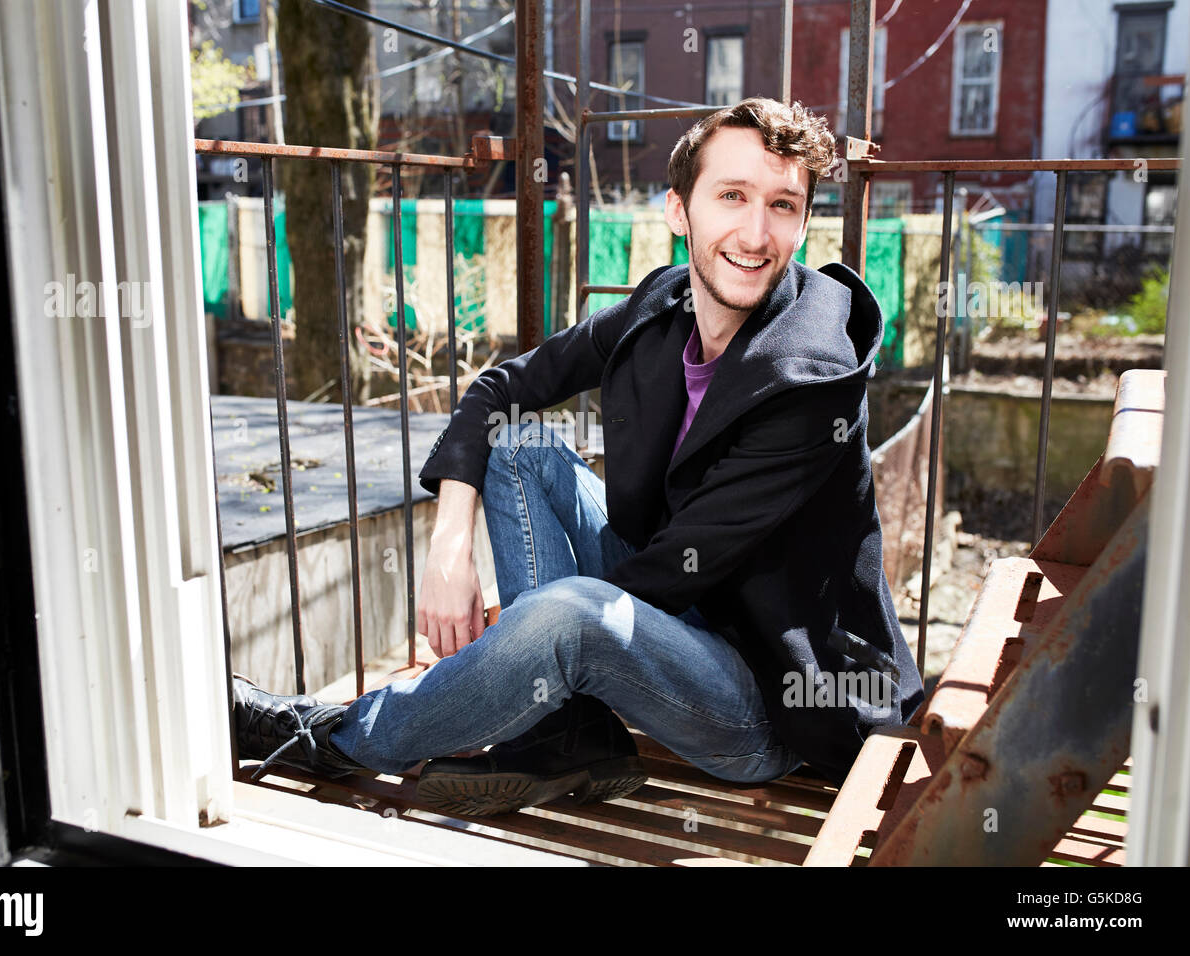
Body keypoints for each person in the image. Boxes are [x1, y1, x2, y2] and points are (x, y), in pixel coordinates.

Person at [233, 96, 926, 817]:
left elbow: (661, 575)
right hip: (681, 615)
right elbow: (502, 389)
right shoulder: (666, 303)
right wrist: (449, 543)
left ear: (802, 220)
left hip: (769, 698)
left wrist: (504, 669)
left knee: (567, 618)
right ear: (678, 210)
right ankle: (562, 734)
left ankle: (330, 735)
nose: (756, 233)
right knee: (517, 446)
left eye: (783, 205)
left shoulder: (811, 374)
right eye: (732, 196)